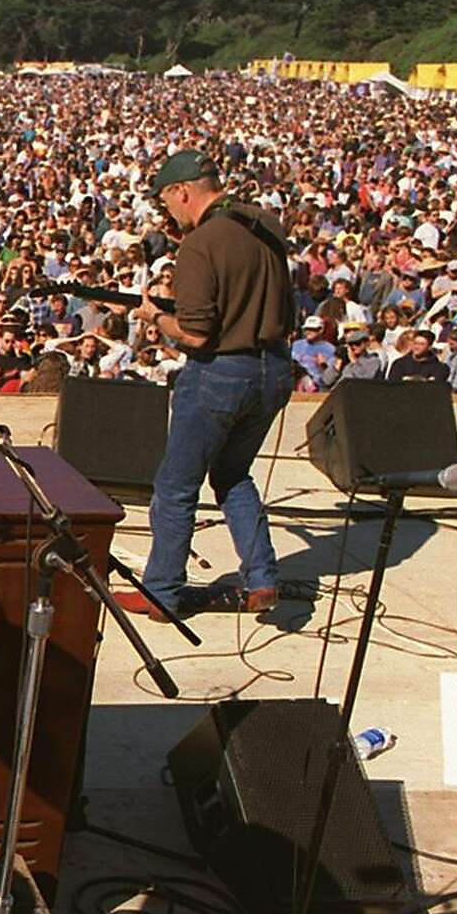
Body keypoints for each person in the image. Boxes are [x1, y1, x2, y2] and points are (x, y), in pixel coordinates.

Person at [116, 150, 296, 620]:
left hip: (220, 373)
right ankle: (262, 579)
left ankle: (161, 593)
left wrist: (155, 316)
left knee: (176, 487)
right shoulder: (265, 224)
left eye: (165, 201)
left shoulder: (201, 243)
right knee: (233, 474)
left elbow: (195, 333)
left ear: (182, 191)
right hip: (274, 368)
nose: (166, 212)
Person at [386, 328, 452, 384]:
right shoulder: (399, 364)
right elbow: (393, 384)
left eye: (421, 344)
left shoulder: (439, 368)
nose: (417, 347)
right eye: (415, 343)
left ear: (429, 347)